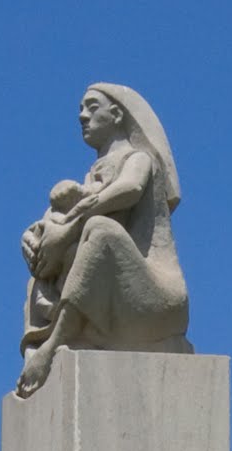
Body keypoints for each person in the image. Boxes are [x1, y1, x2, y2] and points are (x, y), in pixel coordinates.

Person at [16, 84, 191, 400]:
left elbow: (128, 190)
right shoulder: (88, 178)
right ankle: (44, 337)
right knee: (38, 278)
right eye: (80, 109)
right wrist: (34, 238)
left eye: (92, 107)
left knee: (101, 230)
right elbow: (53, 225)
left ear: (117, 113)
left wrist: (69, 226)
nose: (82, 116)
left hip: (157, 301)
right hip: (115, 299)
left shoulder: (139, 158)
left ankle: (53, 346)